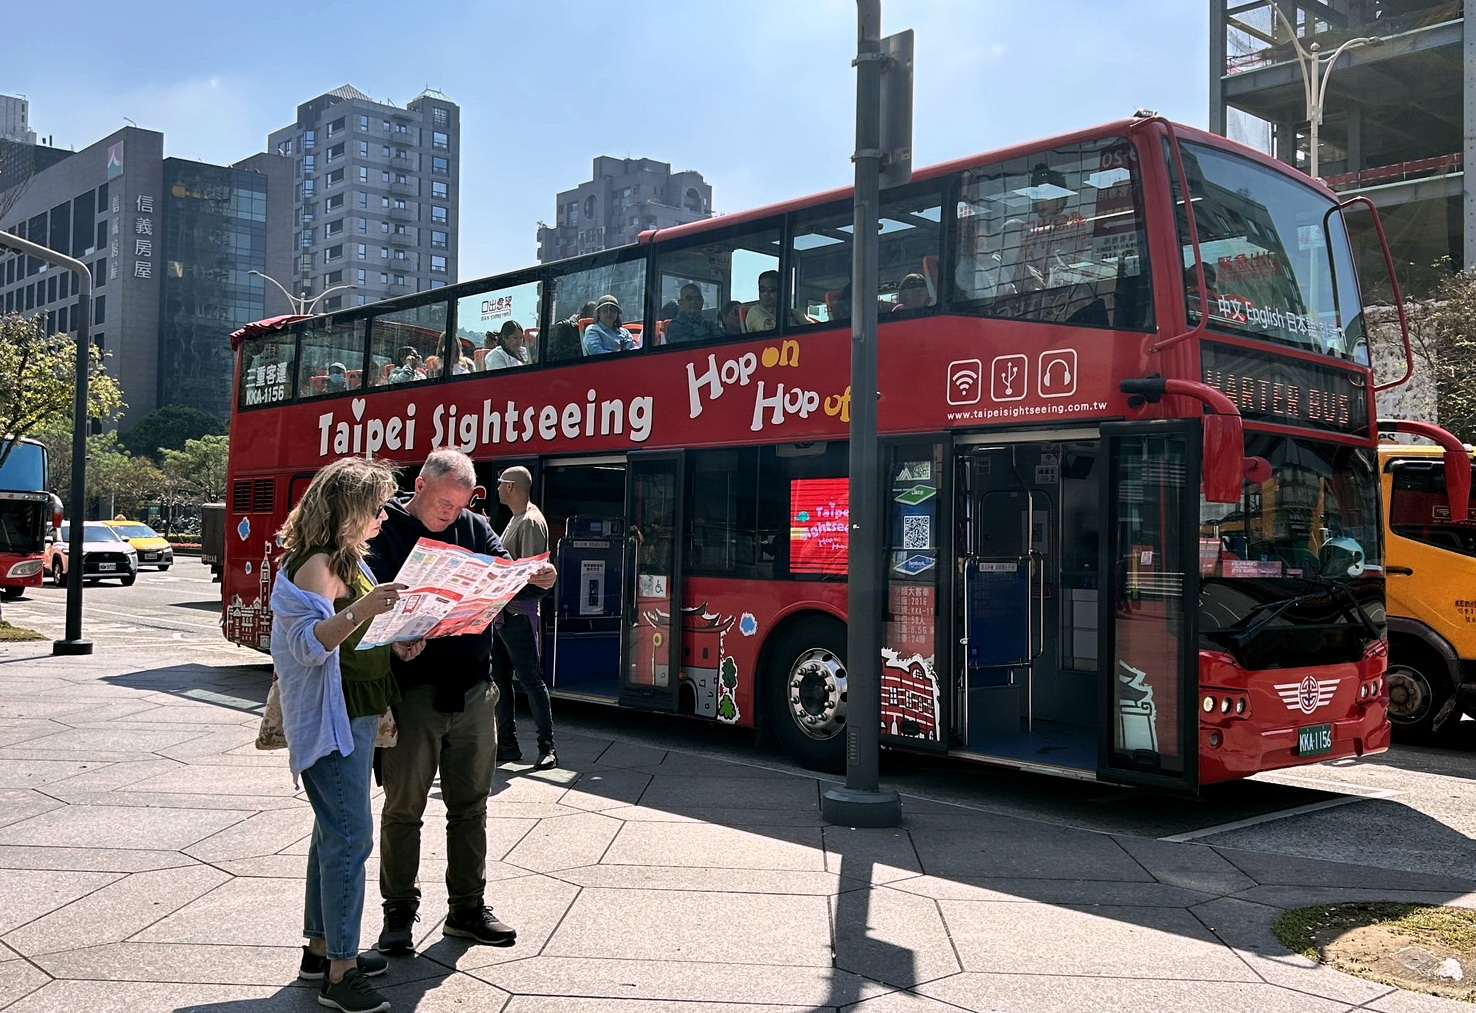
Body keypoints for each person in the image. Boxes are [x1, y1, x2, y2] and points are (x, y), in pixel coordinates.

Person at [367, 449, 558, 956]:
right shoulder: (386, 530)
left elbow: (504, 583)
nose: (451, 513)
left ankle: (467, 908)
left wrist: (534, 581)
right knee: (404, 808)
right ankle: (398, 914)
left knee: (470, 808)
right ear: (421, 486)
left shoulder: (475, 528)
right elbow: (365, 607)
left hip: (474, 688)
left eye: (460, 503)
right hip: (413, 693)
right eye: (443, 502)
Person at [270, 456, 424, 1013]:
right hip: (333, 719)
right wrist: (364, 608)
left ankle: (320, 951)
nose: (384, 517)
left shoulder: (343, 559)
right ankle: (341, 969)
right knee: (351, 838)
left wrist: (396, 641)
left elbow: (353, 638)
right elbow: (308, 646)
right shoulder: (315, 565)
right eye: (376, 508)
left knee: (332, 833)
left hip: (357, 711)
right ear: (348, 510)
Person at [490, 466, 557, 770]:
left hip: (517, 614)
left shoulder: (529, 521)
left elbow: (533, 576)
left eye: (502, 483)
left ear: (513, 487)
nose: (498, 488)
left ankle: (547, 748)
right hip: (503, 614)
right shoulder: (517, 519)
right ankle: (507, 744)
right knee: (500, 679)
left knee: (530, 679)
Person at [955, 211, 1018, 301]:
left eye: (990, 243)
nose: (986, 248)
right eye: (979, 244)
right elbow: (982, 301)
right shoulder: (965, 271)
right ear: (968, 246)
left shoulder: (996, 260)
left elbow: (1010, 288)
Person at [743, 270, 814, 332]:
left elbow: (813, 328)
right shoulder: (755, 311)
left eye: (771, 290)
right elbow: (772, 332)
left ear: (783, 291)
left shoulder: (794, 313)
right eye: (762, 290)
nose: (766, 294)